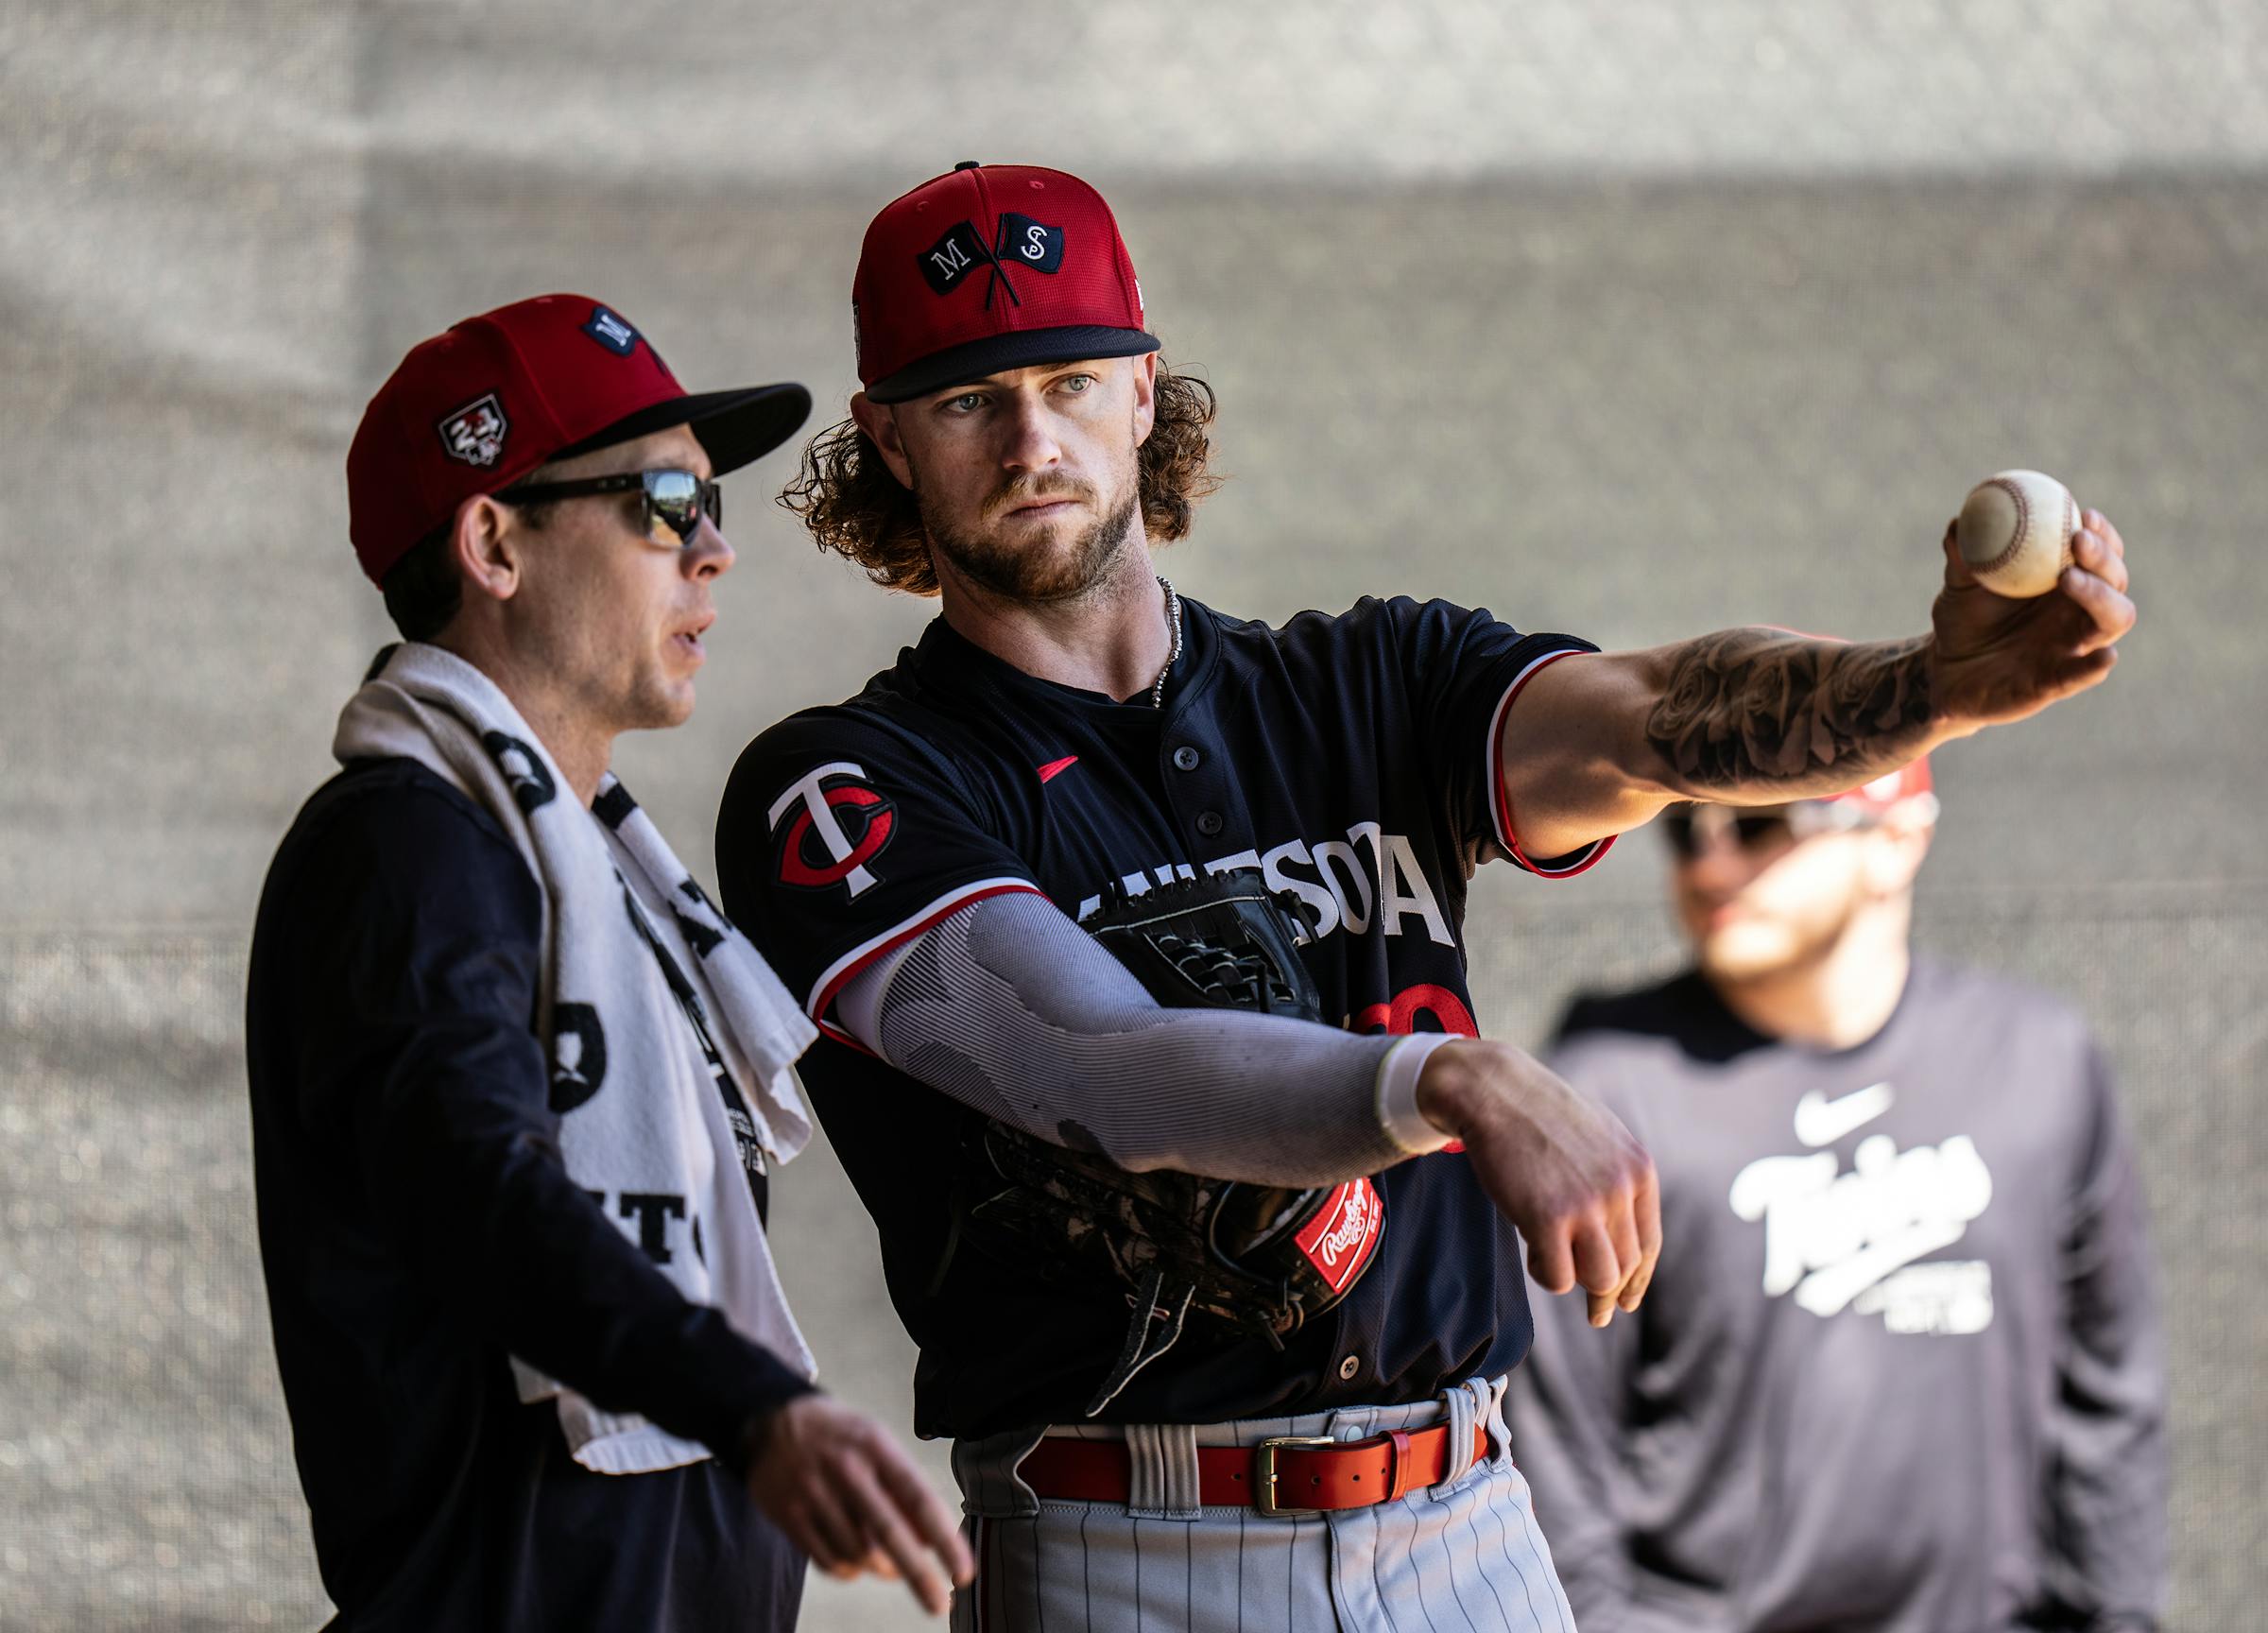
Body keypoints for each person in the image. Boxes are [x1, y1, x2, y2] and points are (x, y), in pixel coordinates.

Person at [713, 162, 2137, 1633]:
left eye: (1071, 380)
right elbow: (1096, 1062)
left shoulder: (1371, 683)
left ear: (1144, 392)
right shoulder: (844, 788)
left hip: (1470, 1525)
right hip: (1131, 1544)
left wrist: (1930, 690)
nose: (1031, 440)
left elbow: (1649, 713)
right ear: (884, 439)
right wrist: (1450, 1079)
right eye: (966, 402)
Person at [246, 293, 971, 1633]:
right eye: (659, 503)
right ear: (492, 544)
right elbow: (476, 1190)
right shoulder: (409, 845)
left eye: (714, 509)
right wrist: (759, 1410)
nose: (713, 553)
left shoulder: (596, 869)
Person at [1504, 762, 2168, 1633]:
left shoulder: (2039, 1062)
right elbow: (1549, 1467)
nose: (1708, 865)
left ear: (1895, 841)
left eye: (1758, 826)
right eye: (1683, 830)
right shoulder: (1606, 1087)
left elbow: (2109, 1411)